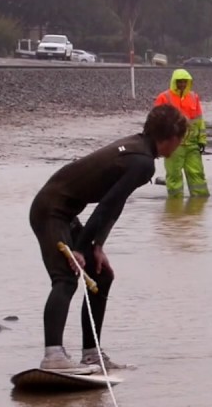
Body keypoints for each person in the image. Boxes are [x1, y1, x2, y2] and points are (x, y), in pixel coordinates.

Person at [28, 104, 189, 372]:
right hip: (50, 210)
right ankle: (53, 355)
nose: (179, 146)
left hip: (65, 212)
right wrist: (79, 249)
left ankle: (92, 354)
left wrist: (97, 246)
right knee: (67, 277)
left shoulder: (140, 151)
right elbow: (106, 206)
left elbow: (114, 204)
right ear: (171, 138)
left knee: (101, 275)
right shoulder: (142, 162)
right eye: (180, 141)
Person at [153, 68, 209, 198]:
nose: (182, 84)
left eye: (185, 82)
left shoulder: (194, 97)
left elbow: (199, 120)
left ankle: (199, 204)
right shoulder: (164, 97)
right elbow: (156, 121)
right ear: (174, 82)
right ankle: (174, 203)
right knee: (174, 175)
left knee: (197, 174)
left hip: (192, 144)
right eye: (180, 82)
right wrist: (158, 142)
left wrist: (202, 140)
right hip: (172, 144)